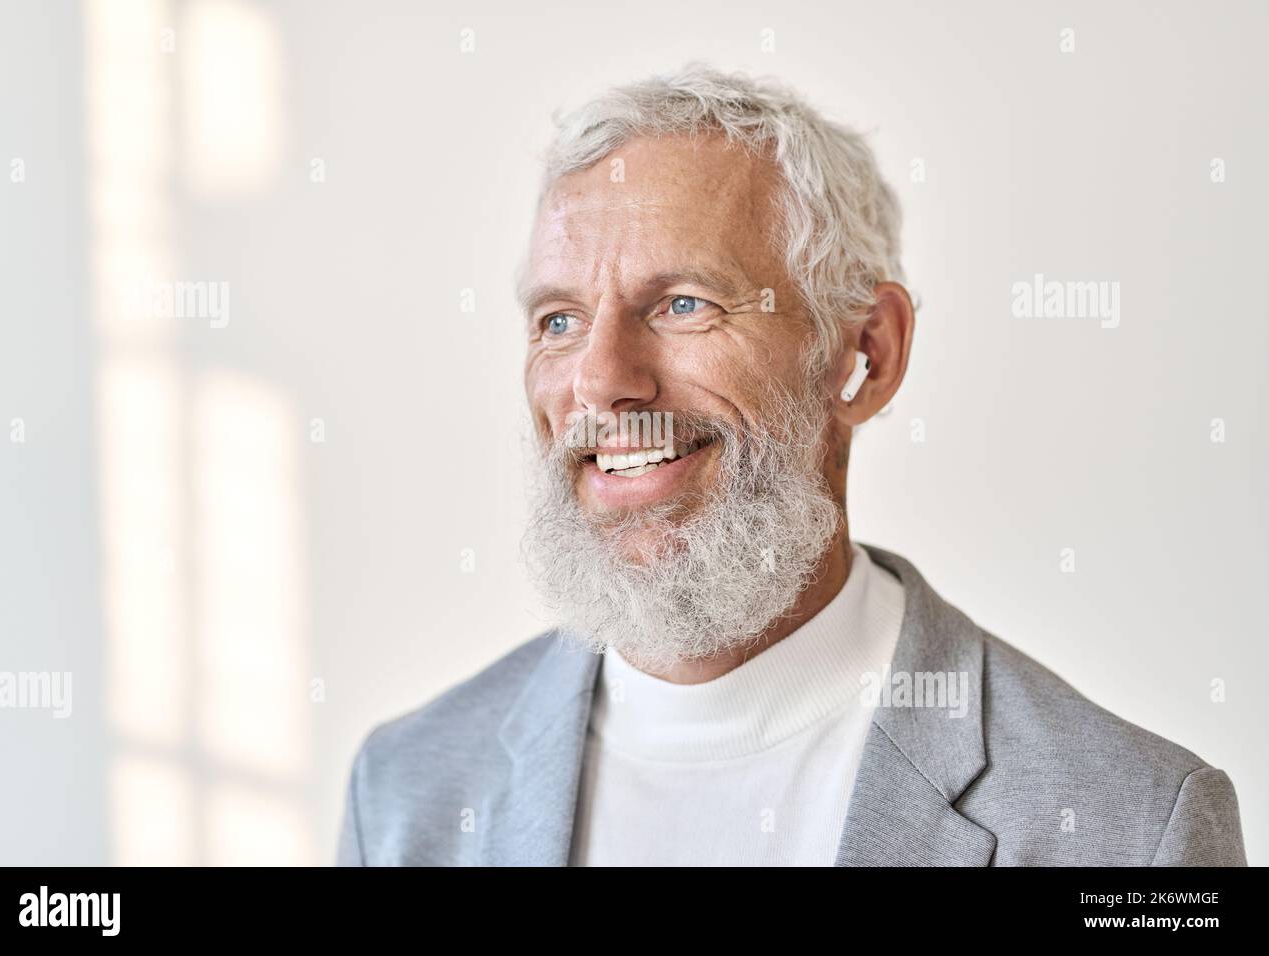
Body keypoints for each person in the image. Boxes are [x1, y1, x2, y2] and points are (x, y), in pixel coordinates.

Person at [336, 65, 1246, 866]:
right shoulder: (404, 791)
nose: (601, 382)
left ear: (866, 354)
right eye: (559, 321)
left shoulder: (1135, 828)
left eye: (684, 303)